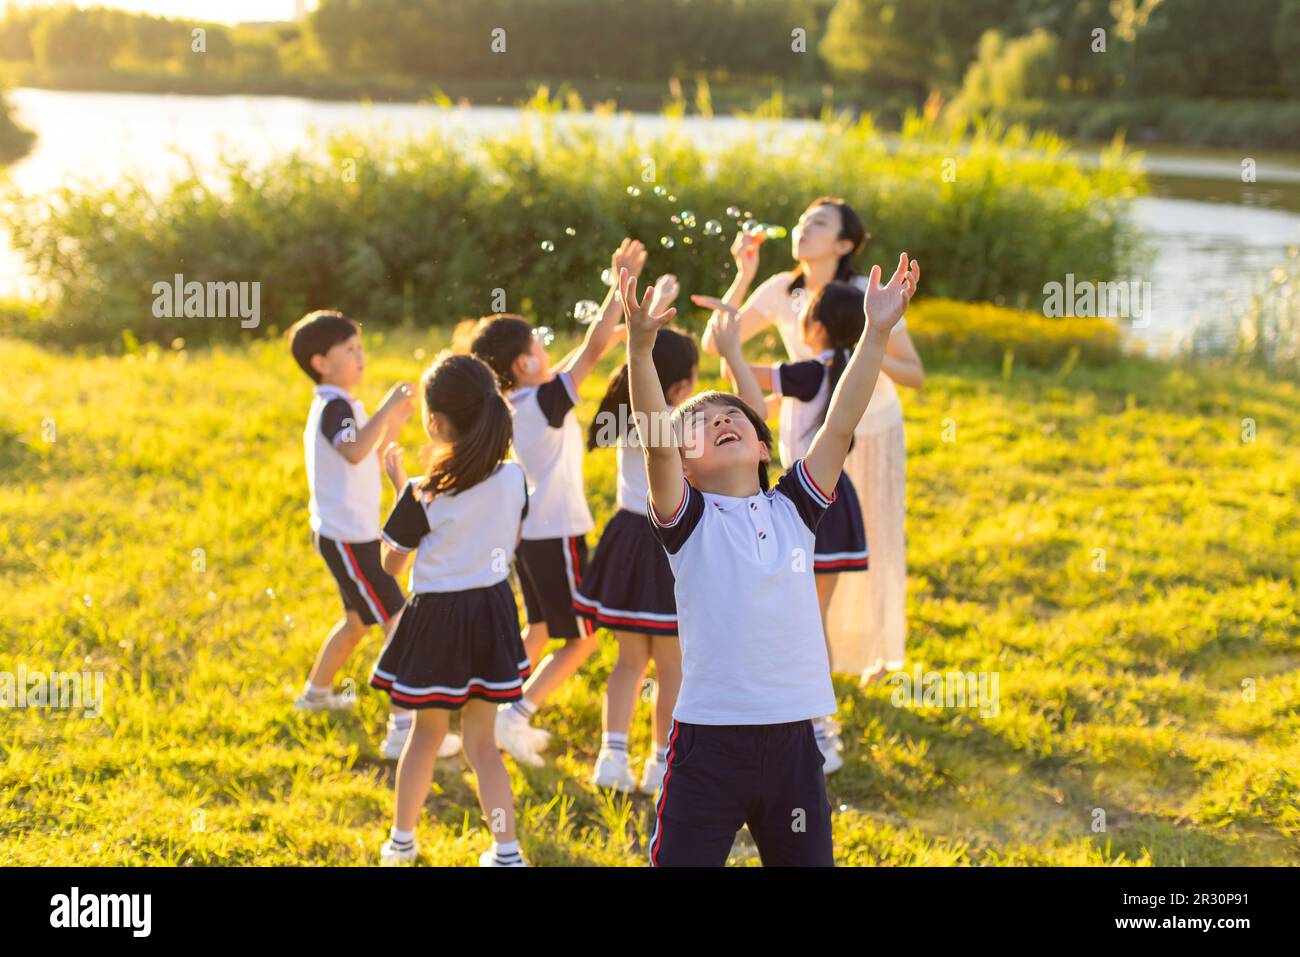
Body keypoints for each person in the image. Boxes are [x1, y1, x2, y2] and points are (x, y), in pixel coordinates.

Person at [623, 254, 920, 866]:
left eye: (733, 414)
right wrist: (638, 344)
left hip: (793, 745)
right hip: (708, 747)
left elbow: (839, 423)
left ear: (762, 443)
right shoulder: (689, 520)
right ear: (684, 461)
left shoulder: (794, 508)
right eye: (701, 422)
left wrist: (876, 332)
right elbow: (655, 435)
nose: (722, 419)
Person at [701, 197, 924, 694]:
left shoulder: (869, 294)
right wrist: (743, 273)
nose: (804, 228)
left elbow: (916, 375)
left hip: (869, 426)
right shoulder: (783, 288)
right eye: (803, 220)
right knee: (825, 554)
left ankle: (875, 655)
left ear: (844, 243)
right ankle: (824, 661)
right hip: (811, 431)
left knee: (869, 544)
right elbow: (718, 344)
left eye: (819, 223)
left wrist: (868, 342)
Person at [467, 239, 645, 766]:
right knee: (584, 639)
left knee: (542, 629)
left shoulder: (518, 400)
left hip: (529, 535)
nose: (549, 355)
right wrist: (619, 285)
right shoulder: (545, 400)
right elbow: (590, 352)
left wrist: (639, 316)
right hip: (557, 533)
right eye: (539, 350)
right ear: (524, 363)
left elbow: (590, 350)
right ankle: (515, 715)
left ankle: (496, 706)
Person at [703, 280, 883, 774]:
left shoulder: (809, 371)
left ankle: (818, 728)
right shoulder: (834, 370)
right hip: (830, 495)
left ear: (816, 327)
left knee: (806, 618)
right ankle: (819, 727)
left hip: (806, 501)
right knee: (813, 617)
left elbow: (739, 391)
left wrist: (733, 346)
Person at [371, 353, 531, 867]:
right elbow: (509, 532)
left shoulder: (422, 493)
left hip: (438, 621)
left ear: (435, 423)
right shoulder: (514, 478)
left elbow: (392, 563)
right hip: (491, 613)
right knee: (482, 744)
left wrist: (400, 492)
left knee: (425, 736)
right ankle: (506, 852)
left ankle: (401, 844)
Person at [287, 310, 460, 761]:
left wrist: (395, 421)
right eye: (350, 350)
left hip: (350, 537)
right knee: (399, 625)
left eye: (361, 347)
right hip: (349, 541)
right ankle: (402, 729)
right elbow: (353, 451)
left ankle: (315, 694)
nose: (360, 357)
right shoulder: (333, 406)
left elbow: (371, 448)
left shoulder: (343, 405)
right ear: (321, 362)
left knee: (358, 622)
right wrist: (385, 407)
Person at [575, 299, 698, 795]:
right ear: (683, 385)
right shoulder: (680, 425)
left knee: (629, 661)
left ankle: (612, 754)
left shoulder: (624, 416)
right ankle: (661, 761)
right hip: (667, 545)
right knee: (672, 664)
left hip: (626, 538)